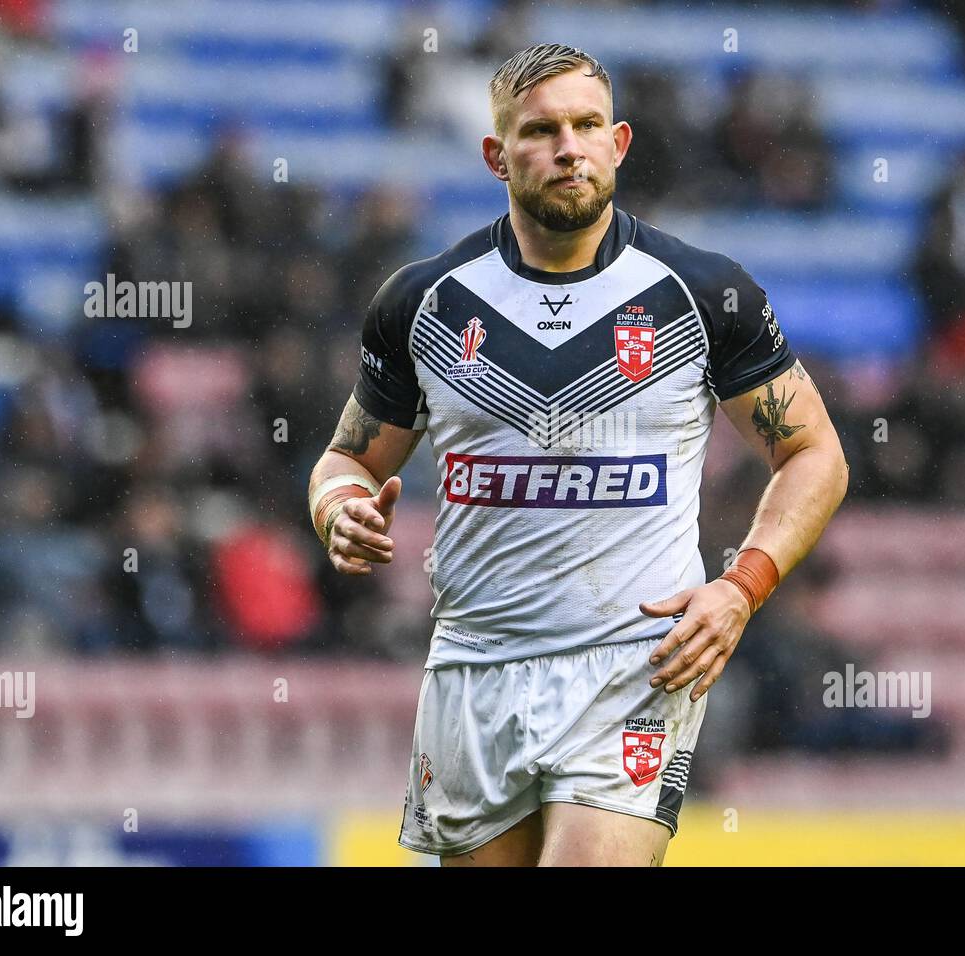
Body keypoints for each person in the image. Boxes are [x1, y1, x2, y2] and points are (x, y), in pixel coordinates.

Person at [306, 43, 848, 866]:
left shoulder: (703, 292)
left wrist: (741, 588)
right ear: (496, 155)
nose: (569, 147)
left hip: (632, 666)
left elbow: (815, 454)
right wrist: (336, 509)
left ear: (619, 142)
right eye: (541, 131)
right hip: (475, 666)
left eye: (588, 125)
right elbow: (347, 461)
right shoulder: (424, 301)